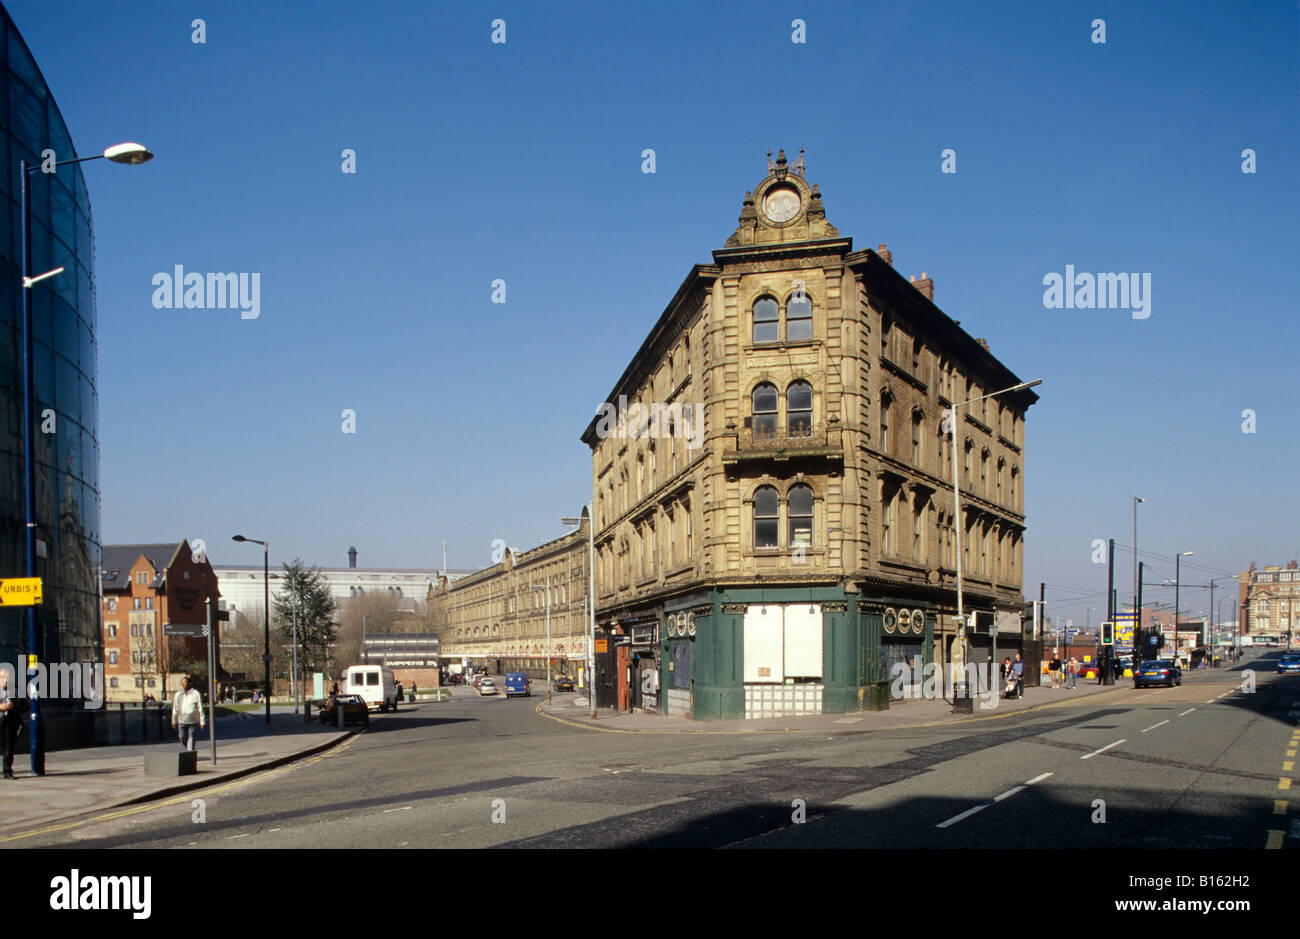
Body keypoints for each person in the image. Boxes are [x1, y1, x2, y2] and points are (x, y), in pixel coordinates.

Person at [171, 674, 205, 751]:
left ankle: (190, 751)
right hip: (181, 720)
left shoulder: (195, 693)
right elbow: (175, 708)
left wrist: (202, 721)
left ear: (190, 683)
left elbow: (200, 708)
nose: (184, 684)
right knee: (181, 736)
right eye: (182, 682)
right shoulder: (178, 694)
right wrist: (174, 720)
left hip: (192, 720)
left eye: (185, 682)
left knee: (191, 737)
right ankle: (188, 746)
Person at [0, 669, 22, 779]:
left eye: (8, 678)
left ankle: (7, 771)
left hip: (10, 722)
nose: (6, 680)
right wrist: (1, 707)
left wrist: (14, 707)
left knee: (9, 748)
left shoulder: (15, 689)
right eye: (4, 678)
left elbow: (23, 705)